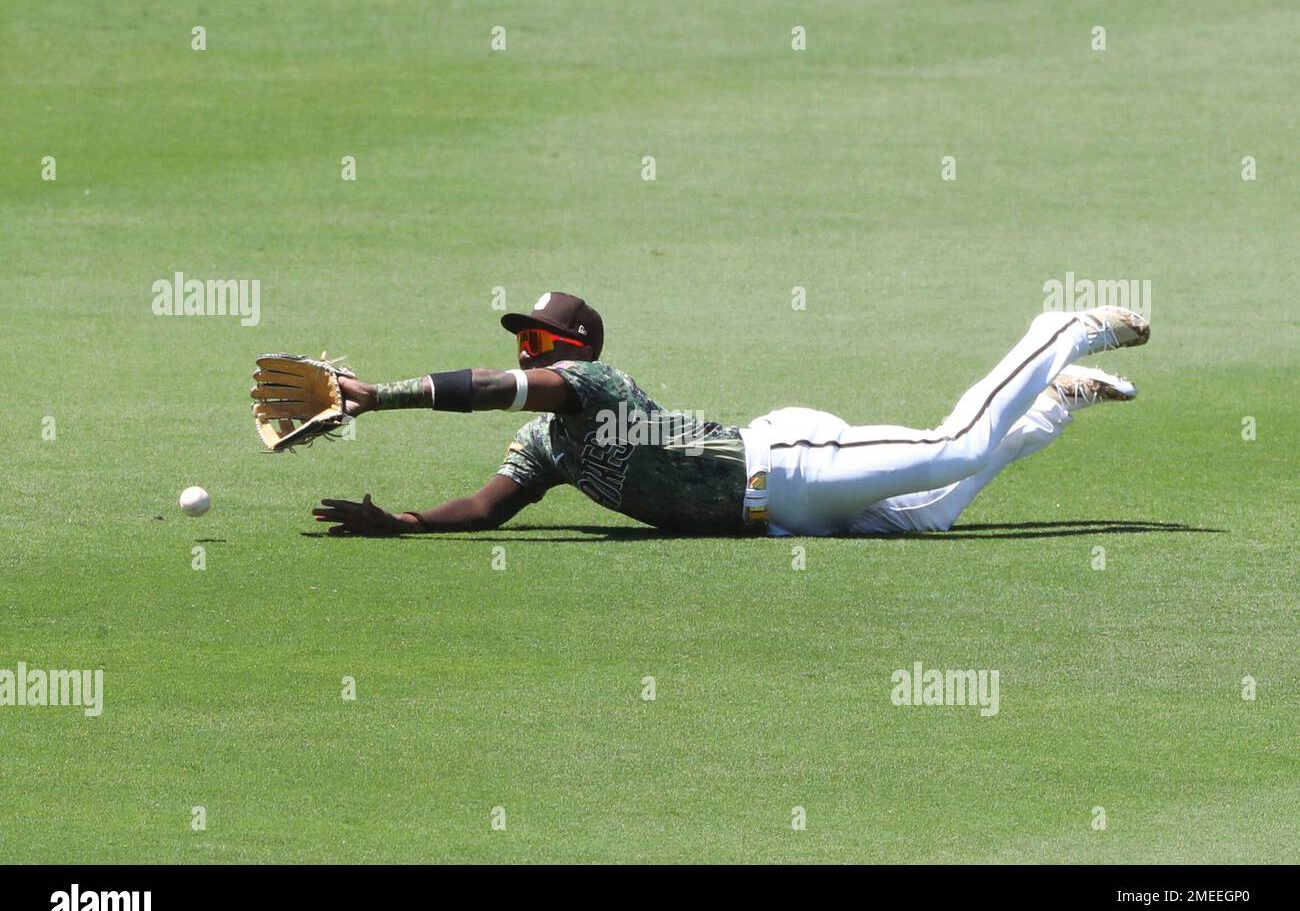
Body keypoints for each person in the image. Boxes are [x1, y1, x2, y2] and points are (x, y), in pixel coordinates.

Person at [310, 291, 1148, 537]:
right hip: (776, 514)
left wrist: (380, 396)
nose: (528, 349)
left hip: (788, 462)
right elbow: (490, 508)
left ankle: (1061, 329)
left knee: (954, 447)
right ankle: (1052, 405)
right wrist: (407, 522)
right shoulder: (549, 448)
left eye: (540, 338)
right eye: (522, 337)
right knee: (929, 519)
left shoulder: (595, 385)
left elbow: (490, 385)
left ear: (575, 347)